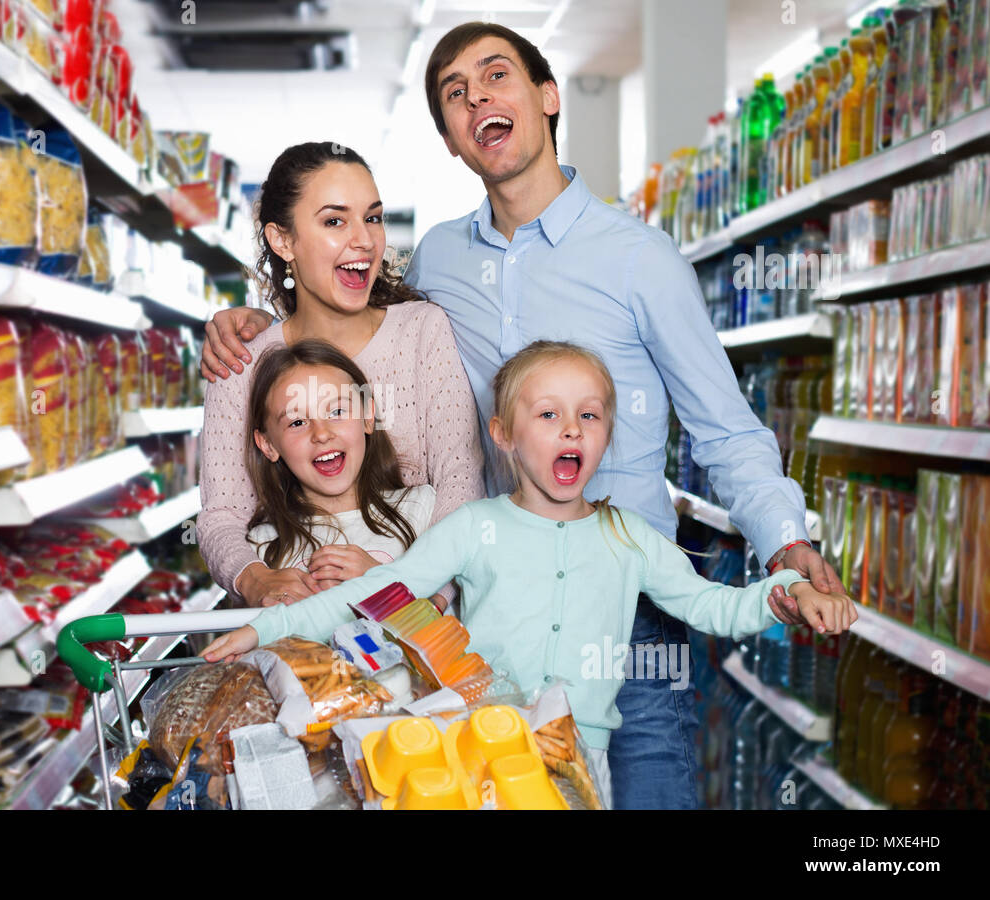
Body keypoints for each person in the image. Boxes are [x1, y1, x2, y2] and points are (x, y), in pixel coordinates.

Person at [198, 22, 845, 810]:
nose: (479, 100)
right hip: (488, 615)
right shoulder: (437, 263)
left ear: (547, 97)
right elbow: (334, 335)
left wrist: (787, 536)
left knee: (642, 792)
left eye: (497, 75)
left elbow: (724, 429)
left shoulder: (641, 258)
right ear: (451, 141)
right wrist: (245, 321)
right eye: (455, 94)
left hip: (625, 605)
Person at [203, 341, 858, 807]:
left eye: (589, 415)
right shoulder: (471, 528)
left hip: (582, 761)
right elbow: (378, 593)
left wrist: (786, 593)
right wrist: (269, 628)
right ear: (504, 434)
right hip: (481, 749)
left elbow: (713, 606)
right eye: (548, 414)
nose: (570, 428)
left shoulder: (631, 537)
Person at [196, 141, 485, 610]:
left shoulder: (421, 329)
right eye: (335, 221)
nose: (365, 240)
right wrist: (257, 581)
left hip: (418, 623)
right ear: (282, 240)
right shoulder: (241, 363)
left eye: (372, 217)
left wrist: (412, 592)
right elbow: (222, 515)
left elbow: (460, 483)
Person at [243, 339, 439, 599]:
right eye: (298, 421)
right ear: (267, 444)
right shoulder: (261, 548)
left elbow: (442, 624)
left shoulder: (423, 510)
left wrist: (380, 582)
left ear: (368, 416)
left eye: (336, 411)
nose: (322, 434)